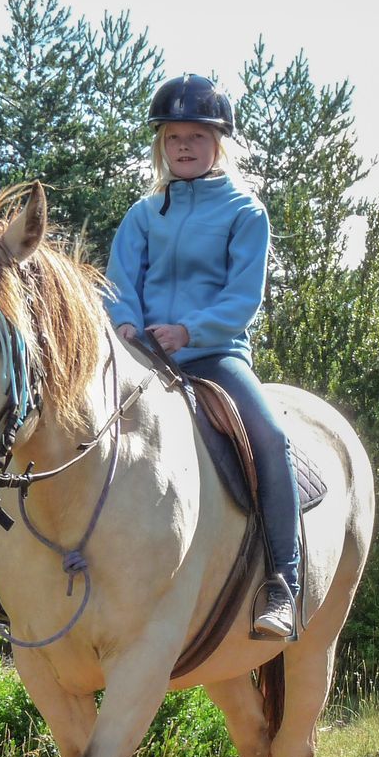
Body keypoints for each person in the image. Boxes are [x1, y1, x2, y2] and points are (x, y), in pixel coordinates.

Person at [105, 72, 301, 641]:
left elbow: (242, 298)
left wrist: (188, 332)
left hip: (214, 356)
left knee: (272, 439)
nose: (183, 146)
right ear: (160, 145)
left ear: (219, 142)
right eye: (173, 137)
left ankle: (282, 584)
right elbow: (119, 283)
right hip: (141, 358)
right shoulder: (143, 214)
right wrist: (126, 323)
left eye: (195, 135)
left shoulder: (246, 212)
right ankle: (15, 580)